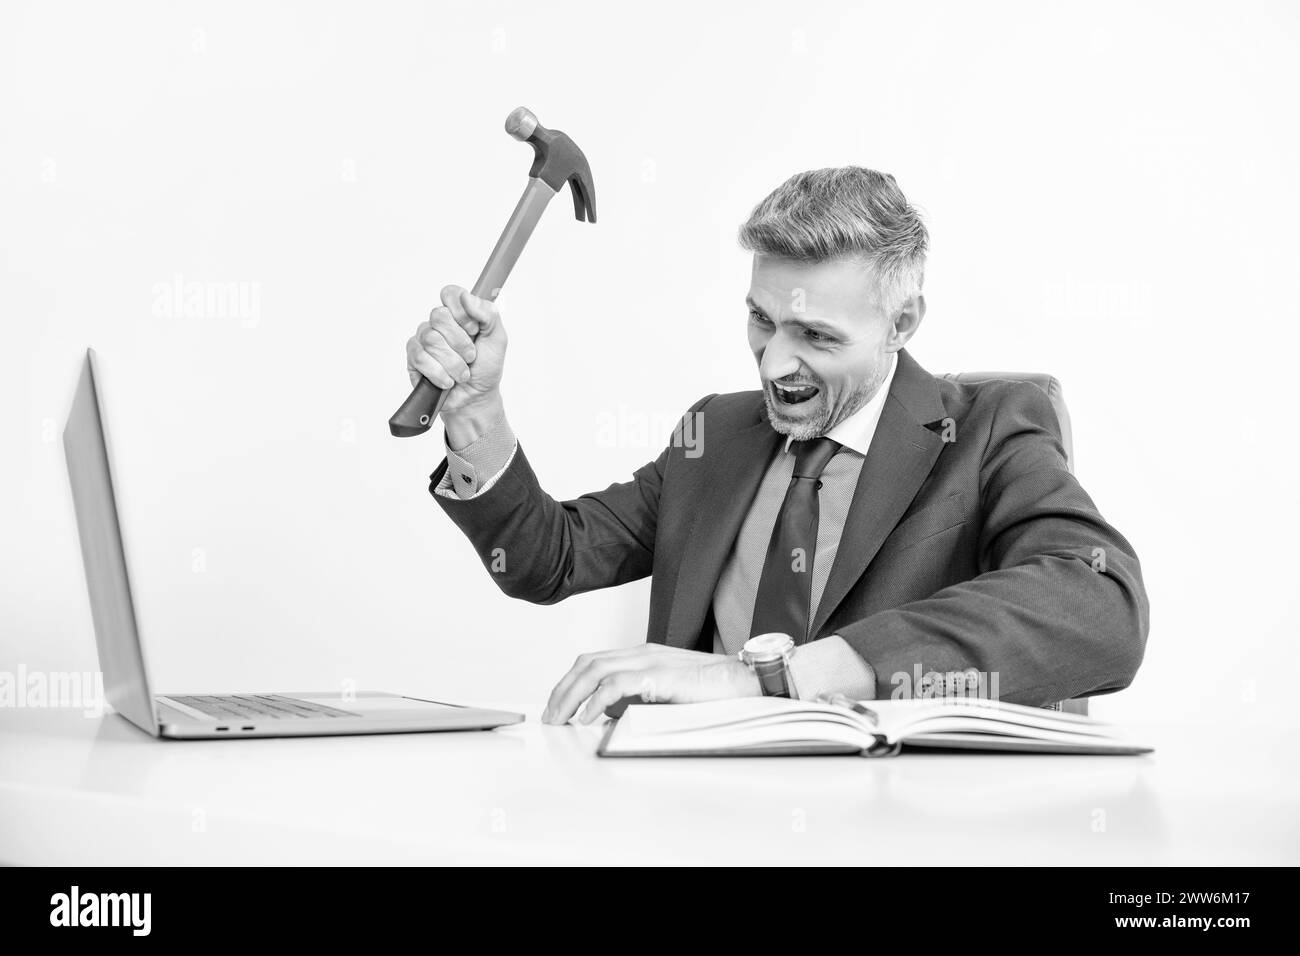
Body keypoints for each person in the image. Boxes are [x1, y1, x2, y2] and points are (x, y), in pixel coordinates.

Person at [404, 166, 1149, 725]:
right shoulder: (717, 435)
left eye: (817, 336)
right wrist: (475, 412)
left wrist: (775, 679)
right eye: (762, 320)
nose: (772, 365)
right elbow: (548, 559)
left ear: (903, 322)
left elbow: (1100, 603)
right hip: (697, 820)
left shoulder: (989, 427)